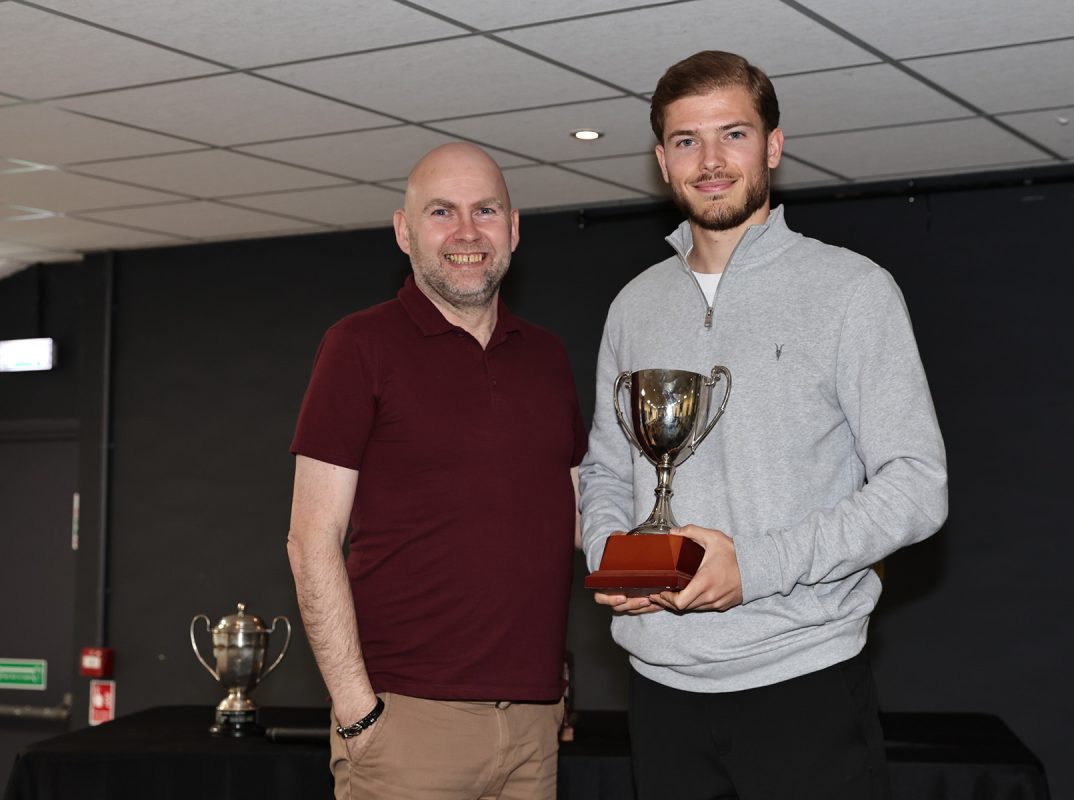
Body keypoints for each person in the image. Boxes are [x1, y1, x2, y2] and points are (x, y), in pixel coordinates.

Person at [579, 51, 949, 800]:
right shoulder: (633, 306)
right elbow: (606, 469)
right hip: (659, 688)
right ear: (662, 161)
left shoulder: (852, 290)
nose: (711, 161)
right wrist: (610, 554)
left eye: (734, 134)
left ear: (773, 146)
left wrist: (757, 567)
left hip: (803, 681)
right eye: (687, 141)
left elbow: (917, 488)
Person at [287, 142, 586, 800]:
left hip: (535, 725)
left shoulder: (548, 358)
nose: (467, 233)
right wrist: (357, 712)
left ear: (514, 228)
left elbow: (576, 518)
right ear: (404, 231)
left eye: (486, 211)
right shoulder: (358, 346)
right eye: (442, 212)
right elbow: (311, 540)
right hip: (407, 726)